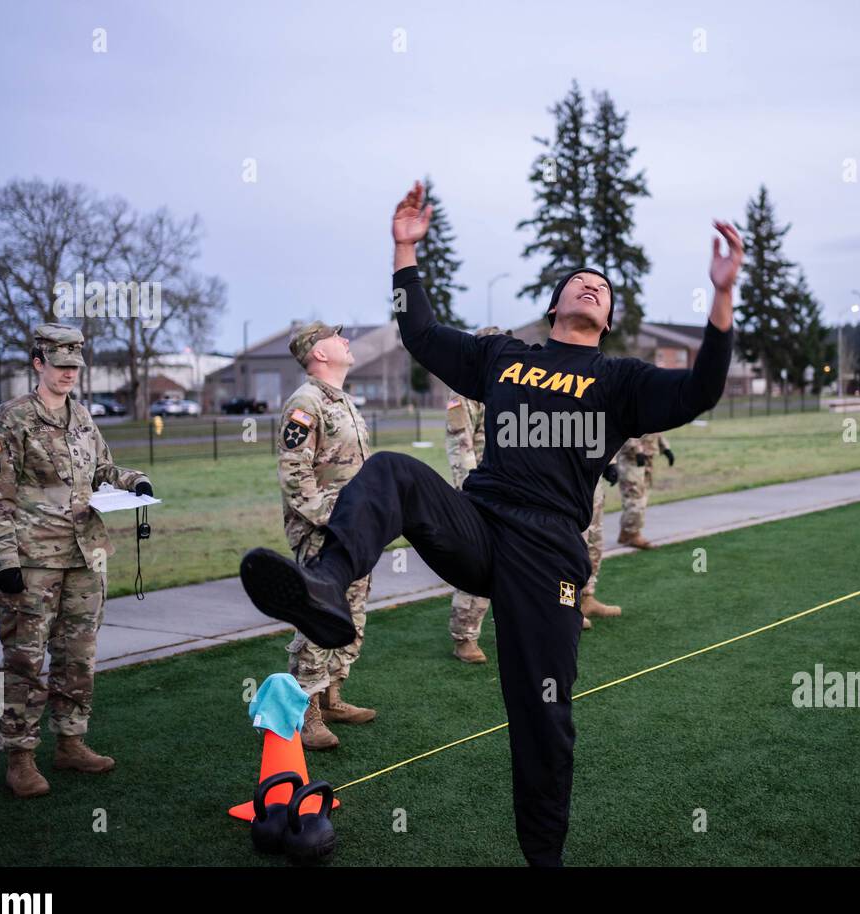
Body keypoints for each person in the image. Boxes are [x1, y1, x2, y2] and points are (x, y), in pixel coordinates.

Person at [239, 180, 743, 866]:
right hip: (478, 523)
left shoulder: (619, 380)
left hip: (547, 553)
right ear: (556, 304)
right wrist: (404, 251)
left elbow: (701, 389)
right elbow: (419, 332)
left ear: (607, 317)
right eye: (580, 281)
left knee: (542, 714)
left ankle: (544, 859)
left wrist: (721, 295)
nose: (592, 286)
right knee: (390, 471)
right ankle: (325, 587)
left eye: (603, 288)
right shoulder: (505, 357)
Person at [0, 323, 152, 798]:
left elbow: (101, 469)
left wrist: (132, 480)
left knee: (78, 656)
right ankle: (20, 757)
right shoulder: (9, 420)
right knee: (25, 659)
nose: (69, 373)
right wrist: (4, 558)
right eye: (60, 365)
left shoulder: (83, 416)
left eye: (75, 366)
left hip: (85, 555)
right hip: (32, 560)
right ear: (38, 363)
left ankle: (71, 742)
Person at [277, 320, 377, 750]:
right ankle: (307, 712)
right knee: (320, 616)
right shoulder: (305, 403)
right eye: (336, 337)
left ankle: (333, 695)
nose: (345, 340)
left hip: (355, 530)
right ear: (318, 353)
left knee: (351, 615)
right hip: (323, 534)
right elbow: (294, 472)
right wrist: (327, 520)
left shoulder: (343, 400)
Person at [444, 326, 502, 663]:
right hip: (479, 489)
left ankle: (511, 623)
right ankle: (464, 636)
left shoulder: (505, 385)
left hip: (509, 487)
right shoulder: (463, 390)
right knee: (479, 561)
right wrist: (469, 492)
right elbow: (459, 443)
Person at [580, 458, 622, 626]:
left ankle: (587, 598)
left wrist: (610, 462)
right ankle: (566, 605)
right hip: (569, 475)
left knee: (594, 539)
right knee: (574, 546)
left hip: (592, 474)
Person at [616, 432, 674, 549]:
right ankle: (633, 534)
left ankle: (626, 533)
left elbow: (655, 427)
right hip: (631, 458)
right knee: (635, 497)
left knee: (642, 495)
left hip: (646, 456)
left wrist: (665, 447)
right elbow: (627, 428)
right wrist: (636, 450)